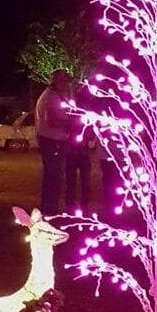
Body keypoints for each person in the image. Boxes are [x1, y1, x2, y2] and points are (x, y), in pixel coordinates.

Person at [34, 69, 73, 215]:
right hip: (52, 142)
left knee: (53, 176)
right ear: (56, 81)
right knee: (53, 176)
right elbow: (52, 120)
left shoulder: (53, 96)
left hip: (51, 141)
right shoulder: (51, 97)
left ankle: (49, 208)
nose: (66, 85)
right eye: (64, 81)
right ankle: (49, 209)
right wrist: (71, 124)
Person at [65, 80, 94, 214]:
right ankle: (82, 205)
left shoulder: (73, 108)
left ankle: (72, 204)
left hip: (74, 147)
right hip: (77, 148)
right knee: (82, 179)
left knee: (73, 179)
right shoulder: (85, 109)